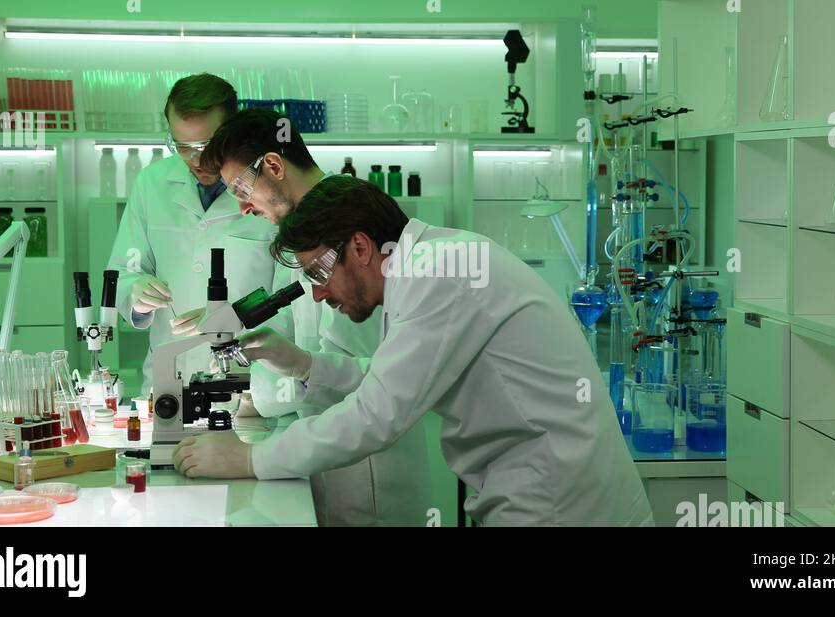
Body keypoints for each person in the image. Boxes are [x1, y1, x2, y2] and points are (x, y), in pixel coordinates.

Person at [173, 175, 654, 526]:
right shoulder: (426, 265)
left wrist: (249, 459)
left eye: (318, 273)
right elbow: (391, 376)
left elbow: (376, 415)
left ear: (360, 248)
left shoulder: (435, 274)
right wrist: (304, 364)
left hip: (559, 503)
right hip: (541, 490)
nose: (317, 294)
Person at [179, 109, 431, 526]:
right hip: (328, 465)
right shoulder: (300, 234)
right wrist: (262, 376)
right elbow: (300, 345)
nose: (243, 207)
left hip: (371, 485)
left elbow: (371, 389)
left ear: (274, 166)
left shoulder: (347, 229)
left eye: (242, 187)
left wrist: (249, 454)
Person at [107, 74, 289, 395]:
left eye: (206, 145)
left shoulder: (269, 190)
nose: (195, 159)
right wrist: (136, 294)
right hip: (168, 380)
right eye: (182, 146)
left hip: (251, 385)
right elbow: (123, 271)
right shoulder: (152, 184)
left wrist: (234, 317)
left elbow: (289, 297)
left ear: (233, 132)